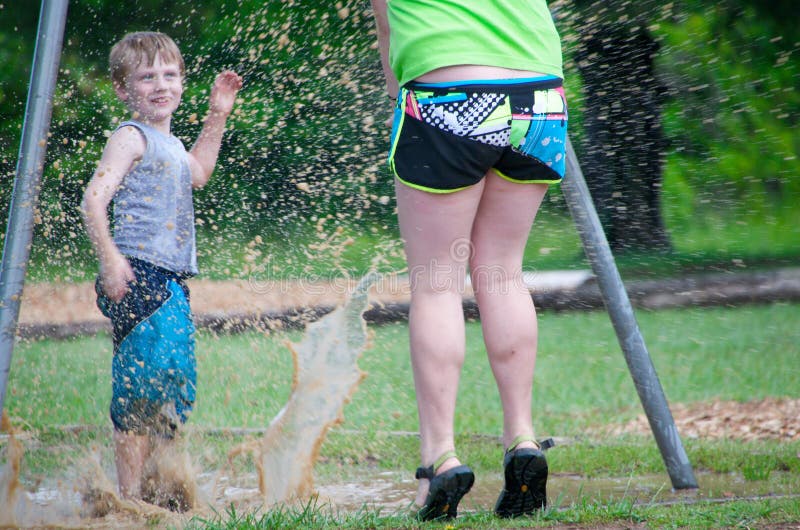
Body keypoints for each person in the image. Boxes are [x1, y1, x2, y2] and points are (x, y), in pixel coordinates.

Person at [369, 0, 567, 521]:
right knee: (502, 273)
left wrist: (399, 91)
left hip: (449, 92)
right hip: (539, 94)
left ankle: (440, 460)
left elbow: (388, 27)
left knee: (437, 282)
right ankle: (522, 440)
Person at [81, 31, 242, 506]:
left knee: (172, 383)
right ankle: (131, 499)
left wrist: (218, 114)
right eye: (146, 76)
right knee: (142, 389)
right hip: (138, 275)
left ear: (182, 82)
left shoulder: (169, 144)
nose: (160, 84)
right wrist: (110, 259)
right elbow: (93, 200)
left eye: (170, 75)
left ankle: (162, 489)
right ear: (122, 88)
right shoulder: (130, 138)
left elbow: (200, 173)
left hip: (168, 282)